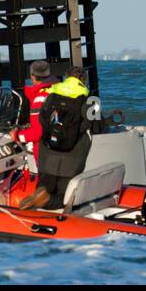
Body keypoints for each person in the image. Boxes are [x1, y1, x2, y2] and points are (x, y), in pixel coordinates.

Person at [23, 66, 92, 211]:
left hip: (48, 151)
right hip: (73, 156)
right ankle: (47, 200)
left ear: (67, 78)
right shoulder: (90, 99)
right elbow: (94, 126)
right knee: (65, 197)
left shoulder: (50, 93)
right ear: (83, 80)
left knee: (45, 185)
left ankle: (41, 196)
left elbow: (42, 119)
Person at [15, 60, 53, 160]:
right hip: (57, 148)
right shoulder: (54, 91)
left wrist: (17, 135)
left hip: (45, 154)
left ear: (32, 76)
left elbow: (37, 132)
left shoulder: (39, 99)